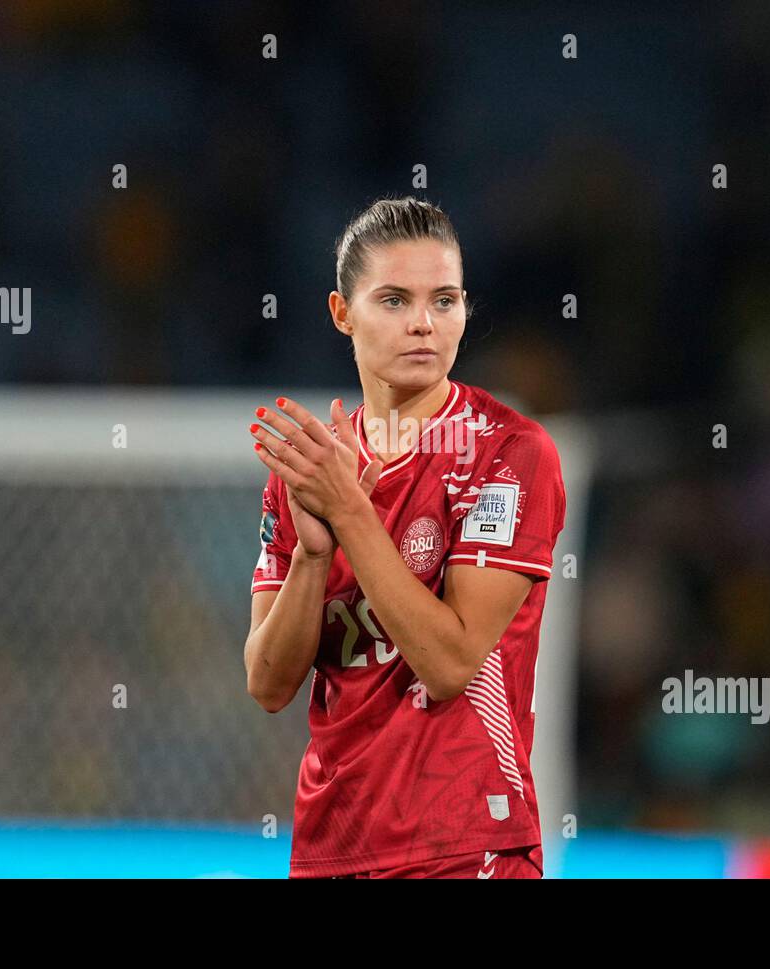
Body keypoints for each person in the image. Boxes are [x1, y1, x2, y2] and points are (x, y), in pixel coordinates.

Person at [243, 196, 566, 878]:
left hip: (464, 844)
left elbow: (449, 665)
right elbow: (268, 683)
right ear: (342, 313)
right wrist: (311, 554)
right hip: (332, 845)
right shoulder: (310, 470)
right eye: (394, 300)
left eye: (444, 300)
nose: (423, 323)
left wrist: (351, 515)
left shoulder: (510, 453)